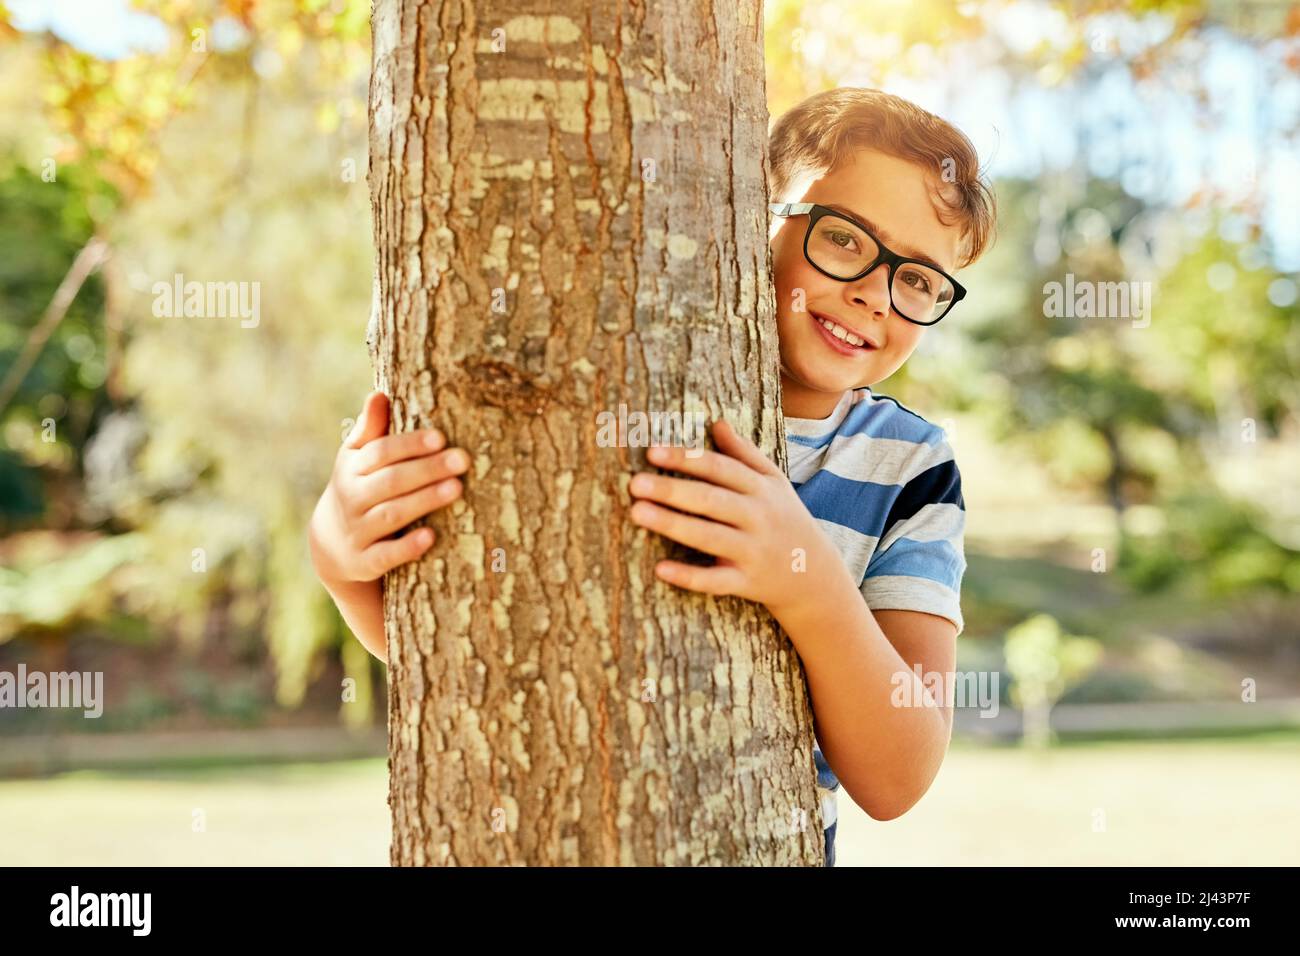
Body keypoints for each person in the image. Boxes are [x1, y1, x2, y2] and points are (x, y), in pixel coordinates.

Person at [309, 87, 996, 867]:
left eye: (918, 282)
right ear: (747, 216)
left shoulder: (910, 465)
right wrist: (338, 559)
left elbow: (898, 777)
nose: (877, 291)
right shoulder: (623, 392)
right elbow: (483, 653)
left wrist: (804, 580)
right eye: (844, 239)